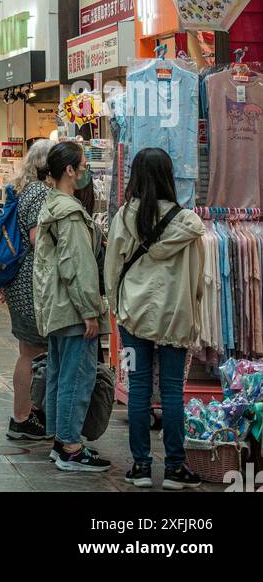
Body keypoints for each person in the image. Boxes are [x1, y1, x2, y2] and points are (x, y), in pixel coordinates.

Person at [105, 147, 205, 490]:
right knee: (174, 391)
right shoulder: (187, 223)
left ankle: (141, 466)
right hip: (176, 318)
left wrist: (116, 306)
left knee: (139, 391)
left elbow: (113, 267)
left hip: (133, 318)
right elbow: (197, 276)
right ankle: (176, 468)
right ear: (168, 176)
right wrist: (192, 311)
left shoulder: (124, 217)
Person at [33, 141, 111, 473]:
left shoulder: (51, 206)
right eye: (81, 165)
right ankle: (70, 447)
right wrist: (90, 311)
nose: (85, 171)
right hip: (73, 309)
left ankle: (61, 440)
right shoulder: (71, 213)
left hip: (56, 308)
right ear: (69, 170)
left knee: (60, 373)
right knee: (77, 377)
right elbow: (77, 266)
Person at [3, 138, 53, 442]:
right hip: (30, 284)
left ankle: (27, 412)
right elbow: (37, 239)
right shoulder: (38, 193)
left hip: (20, 281)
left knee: (30, 351)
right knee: (31, 352)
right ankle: (22, 417)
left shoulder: (23, 189)